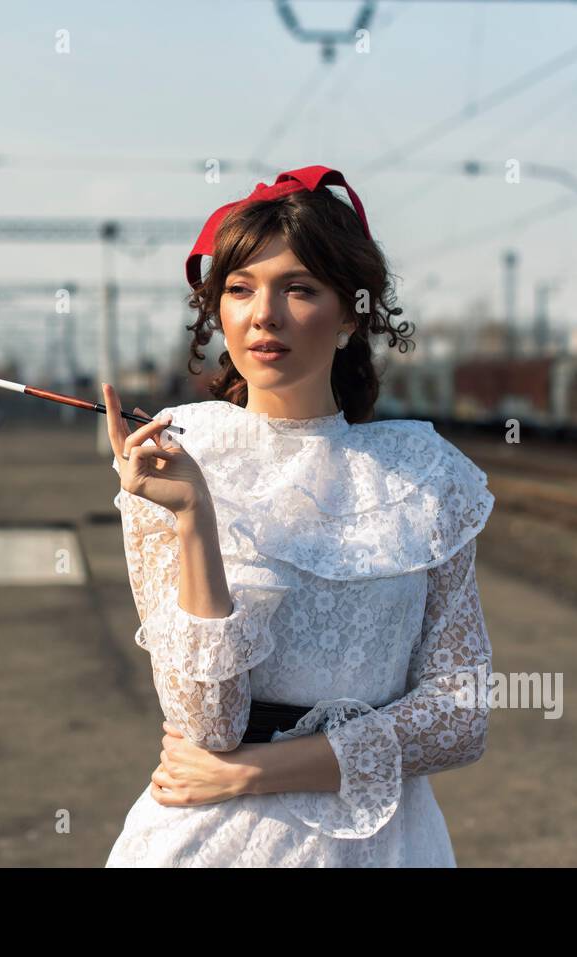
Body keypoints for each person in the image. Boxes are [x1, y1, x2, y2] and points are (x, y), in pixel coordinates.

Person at [102, 166, 495, 867]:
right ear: (217, 309)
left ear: (350, 313)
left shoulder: (429, 477)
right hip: (214, 842)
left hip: (387, 842)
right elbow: (206, 722)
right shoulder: (174, 458)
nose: (265, 315)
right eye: (241, 288)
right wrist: (194, 515)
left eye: (300, 289)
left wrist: (260, 771)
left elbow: (462, 712)